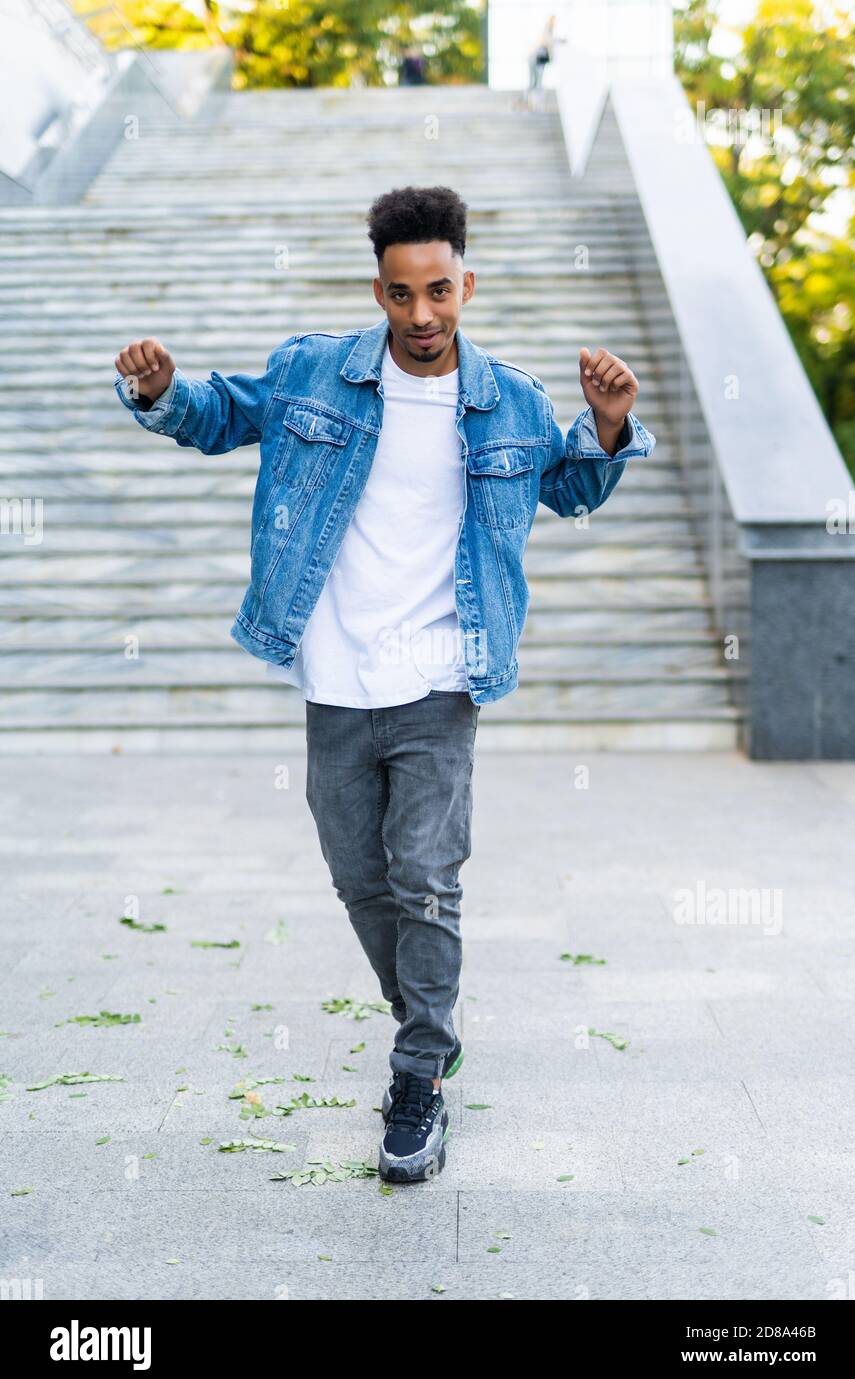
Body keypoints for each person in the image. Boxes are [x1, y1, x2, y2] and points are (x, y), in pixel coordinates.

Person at [112, 185, 656, 1184]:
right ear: (378, 289)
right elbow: (216, 413)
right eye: (401, 295)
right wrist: (157, 391)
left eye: (438, 292)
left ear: (466, 284)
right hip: (334, 675)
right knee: (360, 879)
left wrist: (609, 426)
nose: (421, 316)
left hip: (444, 677)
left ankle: (416, 1077)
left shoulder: (513, 400)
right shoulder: (314, 372)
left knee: (424, 874)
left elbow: (570, 485)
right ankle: (429, 1025)